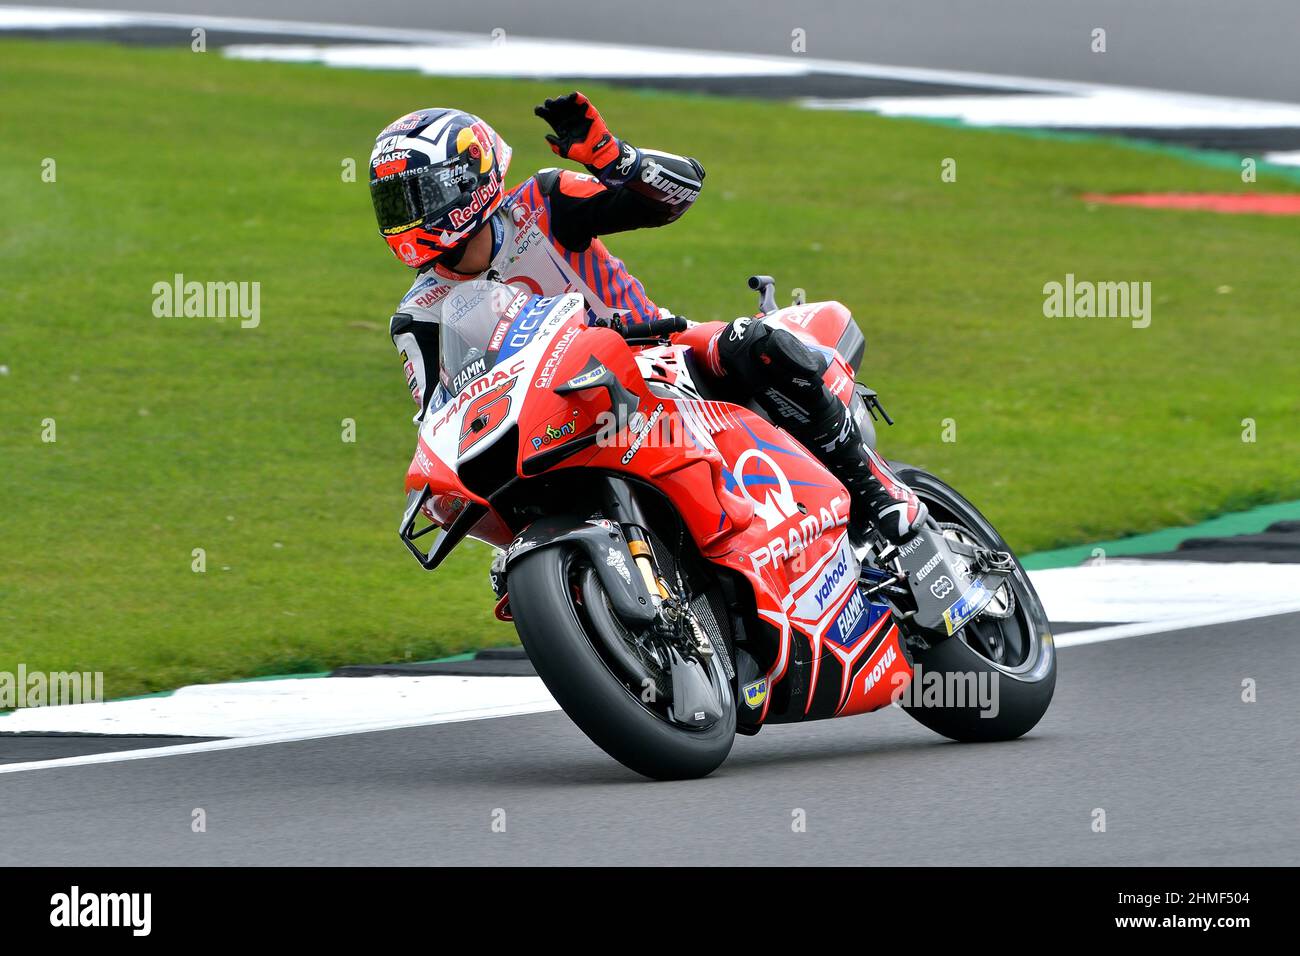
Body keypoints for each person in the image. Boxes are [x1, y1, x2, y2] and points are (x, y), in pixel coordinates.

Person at [368, 92, 925, 545]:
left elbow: (674, 199)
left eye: (418, 195)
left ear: (470, 177)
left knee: (756, 342)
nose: (408, 217)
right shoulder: (417, 316)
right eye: (394, 204)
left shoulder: (541, 201)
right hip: (556, 416)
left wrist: (617, 161)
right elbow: (440, 419)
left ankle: (873, 487)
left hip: (658, 355)